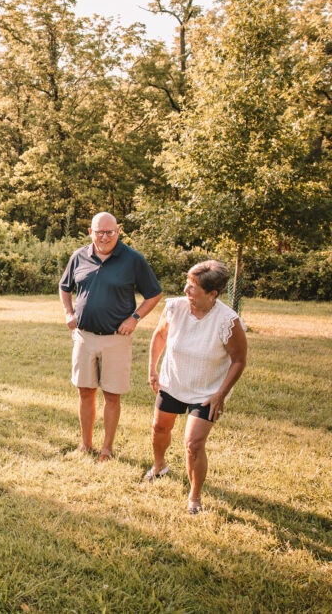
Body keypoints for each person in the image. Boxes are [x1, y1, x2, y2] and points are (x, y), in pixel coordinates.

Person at [144, 260, 247, 514]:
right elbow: (159, 335)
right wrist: (153, 369)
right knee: (159, 427)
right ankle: (159, 466)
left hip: (208, 391)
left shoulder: (228, 321)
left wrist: (220, 395)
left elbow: (239, 360)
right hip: (174, 381)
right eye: (187, 285)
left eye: (194, 288)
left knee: (193, 444)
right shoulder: (175, 307)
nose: (187, 291)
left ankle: (194, 498)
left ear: (212, 293)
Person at [59, 212, 163, 461]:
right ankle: (86, 444)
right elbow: (64, 287)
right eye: (99, 232)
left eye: (110, 232)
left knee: (111, 394)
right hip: (84, 336)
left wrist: (134, 318)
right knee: (85, 391)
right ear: (90, 232)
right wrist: (68, 312)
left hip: (116, 339)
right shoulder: (79, 256)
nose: (104, 237)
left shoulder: (133, 259)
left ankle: (106, 448)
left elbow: (154, 294)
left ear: (118, 231)